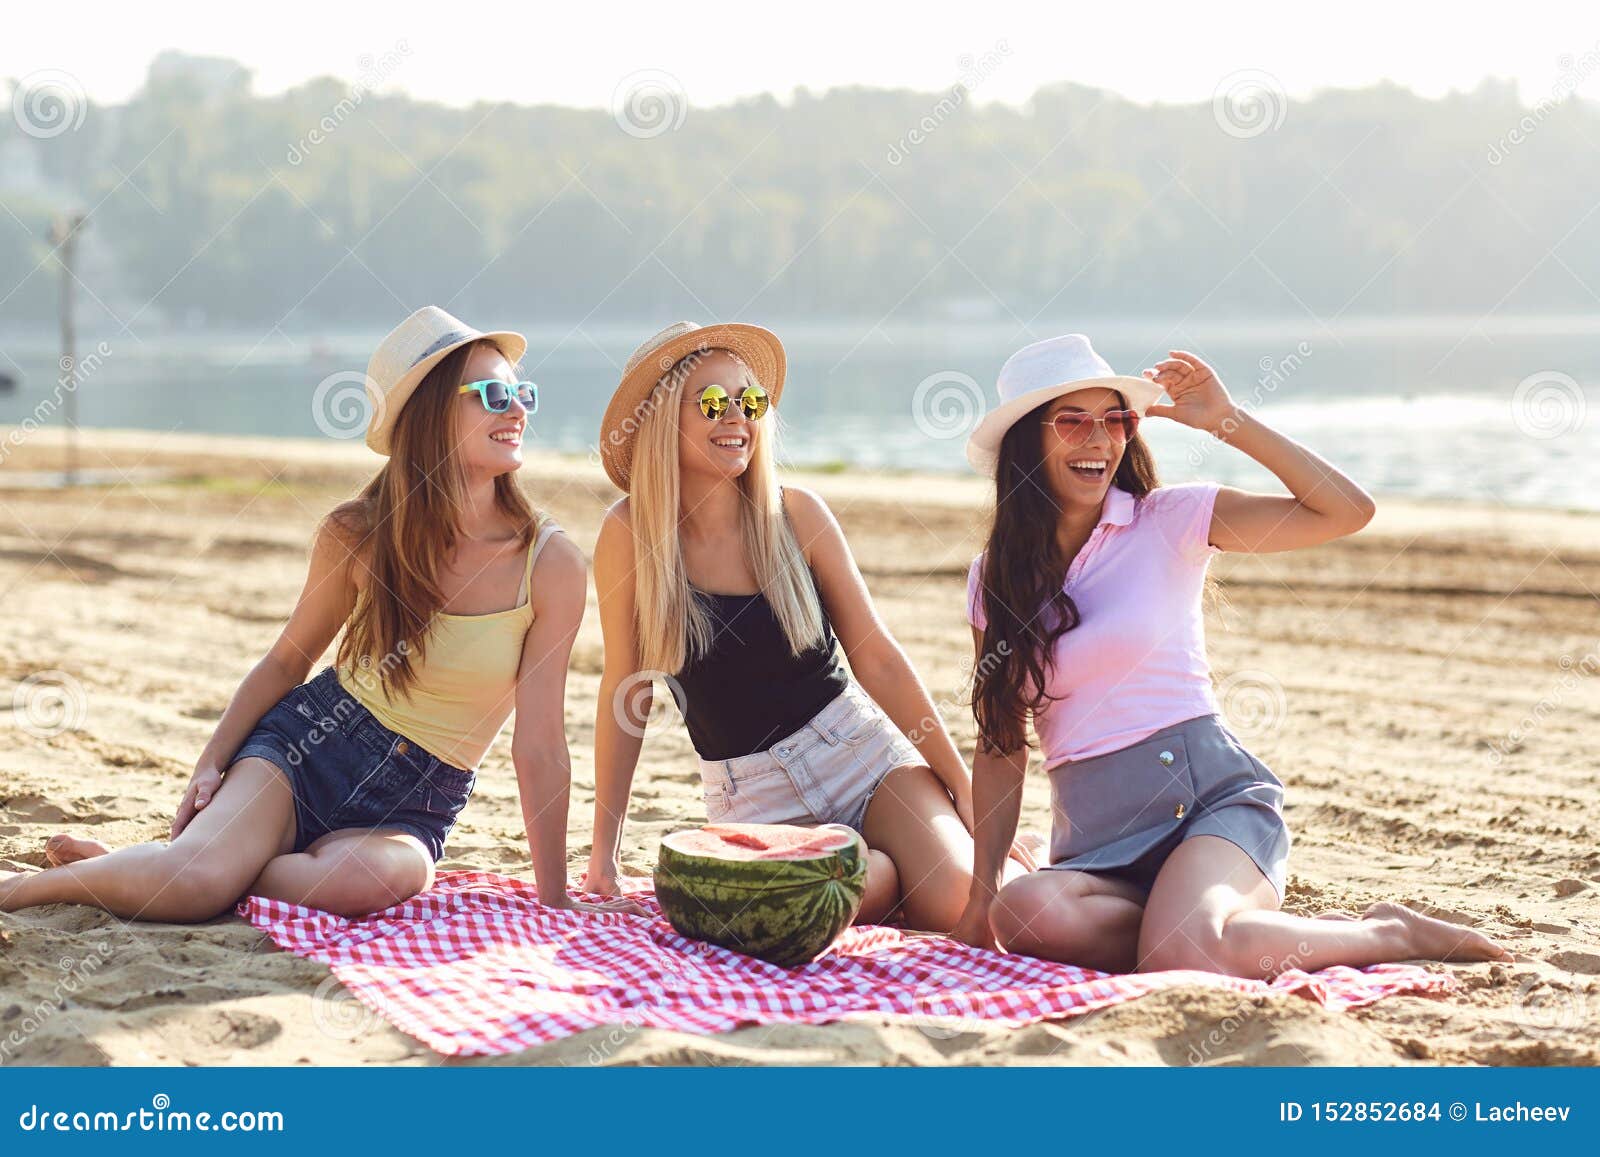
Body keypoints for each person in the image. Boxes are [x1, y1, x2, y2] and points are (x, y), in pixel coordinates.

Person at [1, 307, 634, 922]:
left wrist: (554, 898)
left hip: (415, 806)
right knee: (194, 885)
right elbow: (287, 661)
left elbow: (541, 742)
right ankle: (31, 888)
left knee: (387, 879)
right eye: (494, 393)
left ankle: (172, 864)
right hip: (307, 749)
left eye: (523, 391)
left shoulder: (549, 563)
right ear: (431, 411)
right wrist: (212, 759)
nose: (518, 407)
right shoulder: (358, 532)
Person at [950, 334, 1510, 974]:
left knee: (1184, 953)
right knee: (1019, 915)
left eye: (1116, 420)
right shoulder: (991, 578)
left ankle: (1389, 935)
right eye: (1072, 421)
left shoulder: (1173, 518)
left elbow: (1347, 510)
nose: (1099, 440)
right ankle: (1215, 930)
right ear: (1026, 443)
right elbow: (999, 742)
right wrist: (981, 894)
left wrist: (1227, 422)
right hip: (1099, 847)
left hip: (1210, 809)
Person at [583, 322, 1032, 929]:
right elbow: (625, 692)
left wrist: (963, 789)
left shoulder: (797, 514)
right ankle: (886, 876)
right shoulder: (630, 533)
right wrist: (603, 854)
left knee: (959, 903)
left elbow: (876, 656)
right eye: (714, 403)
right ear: (664, 419)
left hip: (863, 758)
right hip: (755, 799)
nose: (736, 417)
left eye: (750, 401)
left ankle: (895, 869)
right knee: (804, 905)